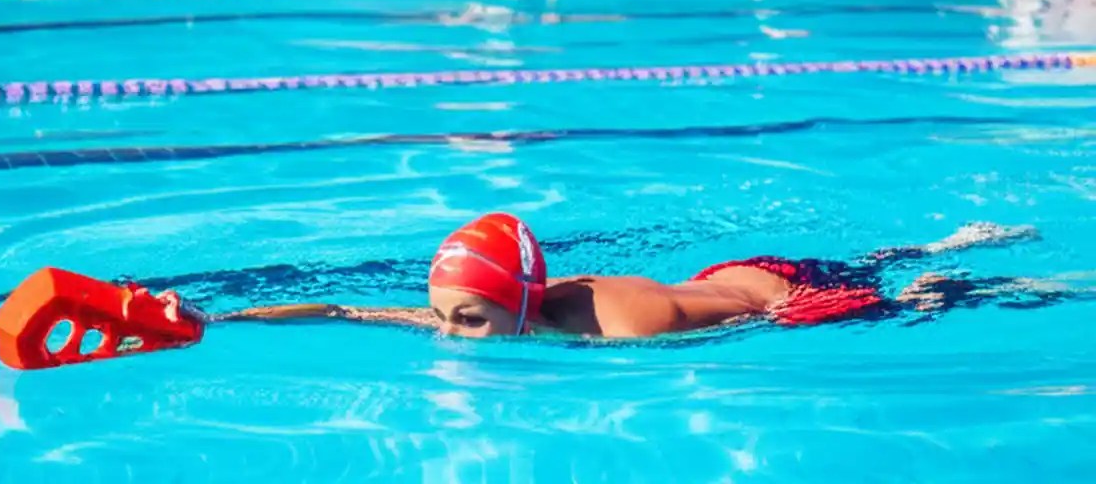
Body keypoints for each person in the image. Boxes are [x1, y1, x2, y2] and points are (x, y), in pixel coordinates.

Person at [159, 213, 1075, 340]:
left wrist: (848, 315)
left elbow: (747, 327)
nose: (444, 331)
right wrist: (208, 318)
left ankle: (1022, 277)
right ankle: (946, 242)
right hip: (729, 268)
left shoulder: (626, 326)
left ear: (522, 304)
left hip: (772, 300)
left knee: (916, 299)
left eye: (465, 319)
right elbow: (344, 308)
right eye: (445, 315)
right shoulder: (480, 311)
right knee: (882, 260)